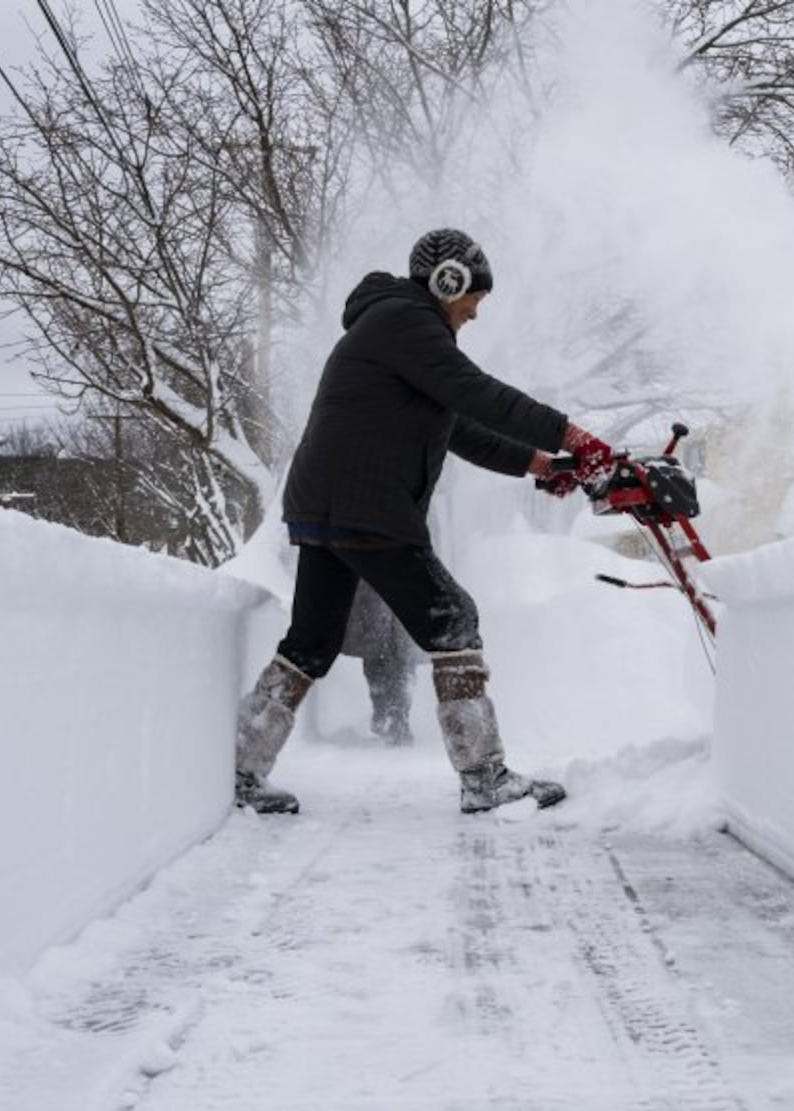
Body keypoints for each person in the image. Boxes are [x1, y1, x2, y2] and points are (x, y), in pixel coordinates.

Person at [233, 228, 612, 815]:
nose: (474, 314)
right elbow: (478, 393)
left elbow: (458, 425)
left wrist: (538, 464)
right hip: (368, 506)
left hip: (328, 507)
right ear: (447, 280)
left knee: (311, 642)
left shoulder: (394, 331)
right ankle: (483, 775)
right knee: (453, 620)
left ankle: (241, 768)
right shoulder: (406, 322)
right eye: (472, 300)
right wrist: (575, 437)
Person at [340, 580, 419, 746]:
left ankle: (396, 717)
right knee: (381, 660)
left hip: (396, 599)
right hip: (378, 598)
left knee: (398, 662)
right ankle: (387, 713)